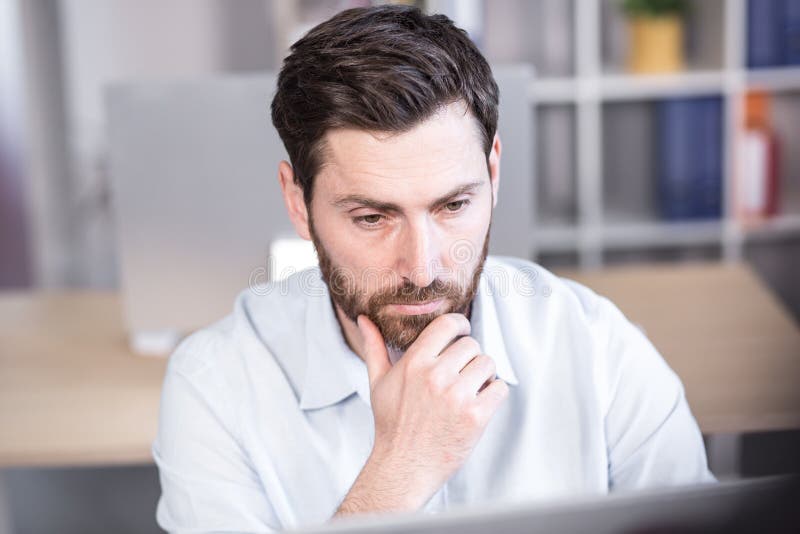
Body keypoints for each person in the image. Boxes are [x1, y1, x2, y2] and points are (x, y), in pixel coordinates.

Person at [152, 4, 715, 532]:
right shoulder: (215, 386)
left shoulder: (596, 348)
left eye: (453, 206)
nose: (422, 268)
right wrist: (399, 472)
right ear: (298, 203)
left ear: (493, 175)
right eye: (373, 217)